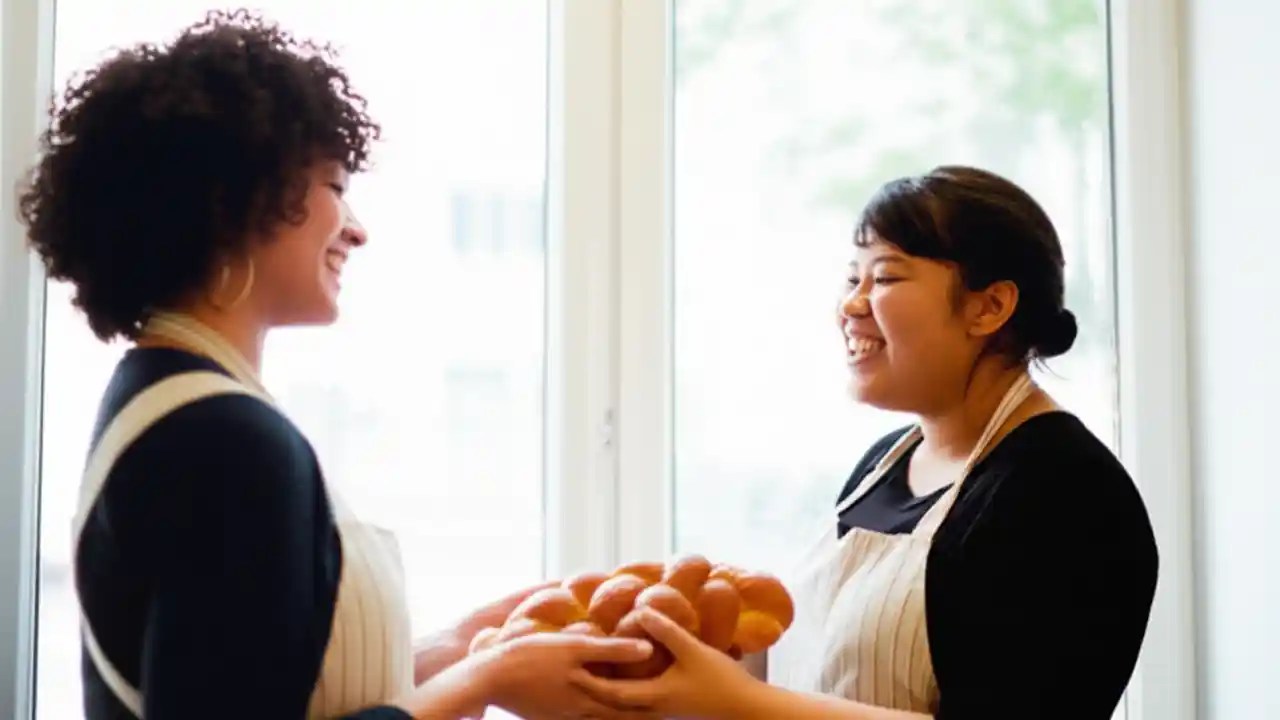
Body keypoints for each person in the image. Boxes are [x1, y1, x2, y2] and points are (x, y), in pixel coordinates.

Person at [19, 10, 655, 720]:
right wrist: (485, 682)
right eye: (332, 185)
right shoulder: (228, 440)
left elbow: (253, 685)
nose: (356, 227)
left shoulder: (160, 398)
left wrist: (451, 653)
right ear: (233, 202)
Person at [569, 166, 1160, 719]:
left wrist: (741, 702)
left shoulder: (1066, 491)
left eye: (885, 276)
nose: (851, 306)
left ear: (990, 307)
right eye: (853, 278)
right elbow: (830, 670)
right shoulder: (884, 462)